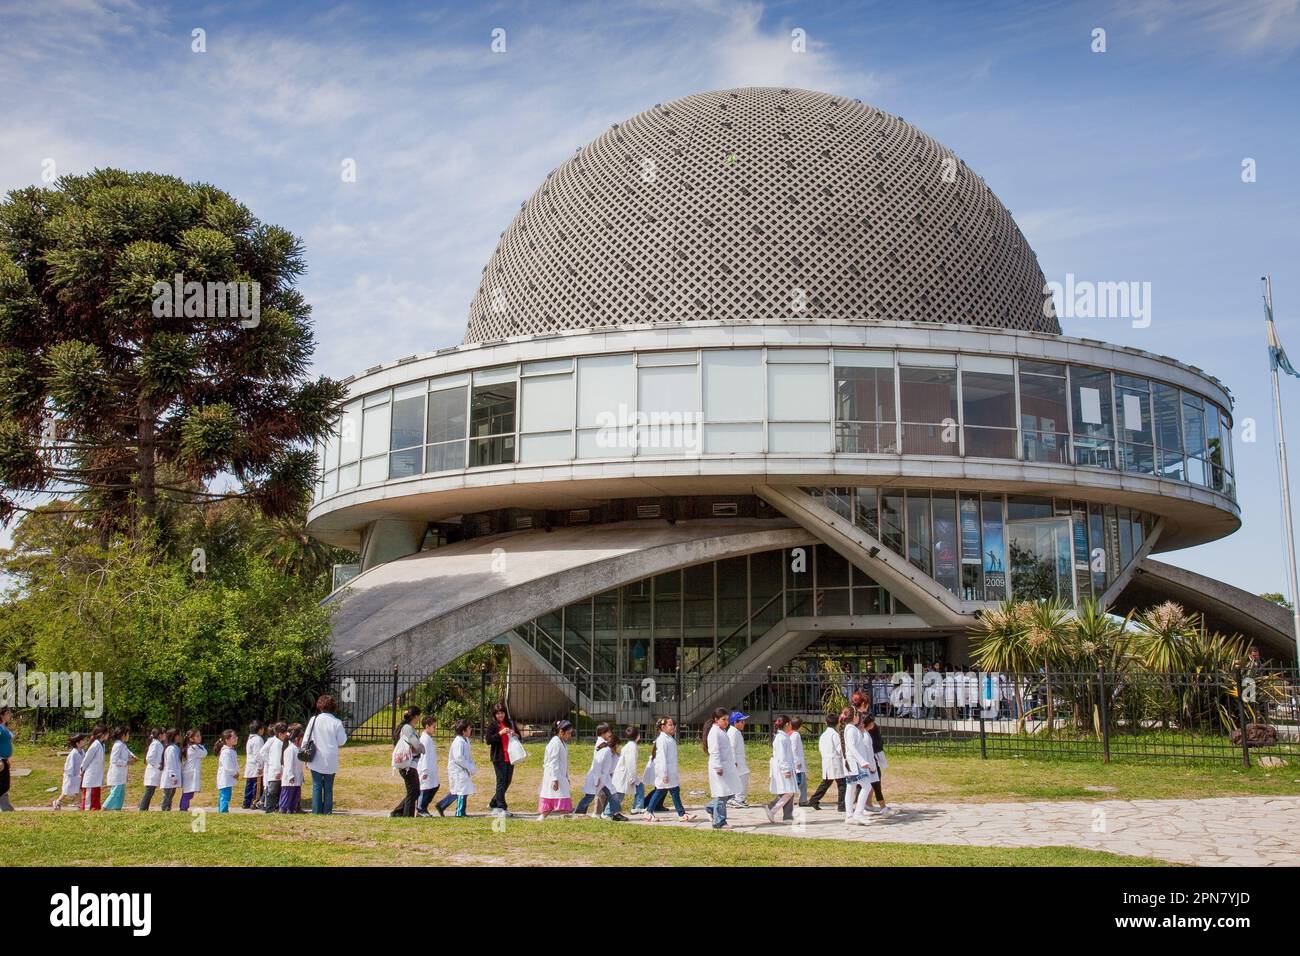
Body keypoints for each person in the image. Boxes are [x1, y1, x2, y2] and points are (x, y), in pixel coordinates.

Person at [645, 717, 696, 822]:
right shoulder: (662, 740)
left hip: (671, 772)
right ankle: (648, 812)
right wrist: (664, 774)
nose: (673, 727)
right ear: (663, 727)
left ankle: (681, 814)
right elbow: (662, 758)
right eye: (670, 725)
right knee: (661, 791)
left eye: (673, 724)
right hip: (665, 771)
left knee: (673, 791)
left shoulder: (669, 739)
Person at [304, 695, 348, 814]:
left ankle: (316, 811)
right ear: (333, 707)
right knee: (328, 786)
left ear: (319, 706)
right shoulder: (337, 722)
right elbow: (342, 741)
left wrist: (305, 757)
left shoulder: (314, 720)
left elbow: (306, 738)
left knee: (317, 785)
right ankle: (327, 811)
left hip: (315, 757)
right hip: (331, 758)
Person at [704, 707, 740, 830]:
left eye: (727, 719)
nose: (726, 722)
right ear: (716, 719)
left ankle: (710, 808)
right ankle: (719, 821)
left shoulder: (721, 731)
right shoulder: (714, 732)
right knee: (721, 794)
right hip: (719, 768)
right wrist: (718, 766)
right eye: (723, 719)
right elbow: (714, 751)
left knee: (729, 792)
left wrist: (732, 762)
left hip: (726, 766)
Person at [484, 702, 520, 817]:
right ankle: (501, 807)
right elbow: (488, 740)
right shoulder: (493, 725)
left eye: (502, 713)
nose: (500, 715)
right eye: (498, 713)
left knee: (507, 781)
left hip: (510, 757)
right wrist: (500, 733)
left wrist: (515, 734)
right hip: (499, 757)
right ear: (494, 715)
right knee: (501, 781)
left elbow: (519, 736)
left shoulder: (510, 723)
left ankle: (493, 802)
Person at [845, 709, 878, 825]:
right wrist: (862, 761)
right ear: (854, 717)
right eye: (857, 715)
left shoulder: (851, 729)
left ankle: (850, 815)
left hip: (853, 763)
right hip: (855, 764)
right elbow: (852, 747)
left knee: (851, 787)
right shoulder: (851, 730)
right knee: (866, 786)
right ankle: (857, 813)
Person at [438, 718, 476, 817]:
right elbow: (459, 758)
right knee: (461, 791)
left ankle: (442, 805)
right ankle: (460, 812)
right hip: (457, 770)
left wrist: (471, 766)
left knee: (460, 790)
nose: (470, 729)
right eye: (469, 728)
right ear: (463, 731)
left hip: (463, 769)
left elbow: (467, 756)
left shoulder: (465, 740)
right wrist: (469, 766)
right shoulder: (458, 742)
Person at [809, 711, 847, 811]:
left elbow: (821, 749)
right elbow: (840, 749)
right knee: (842, 784)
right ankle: (842, 805)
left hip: (826, 761)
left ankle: (814, 799)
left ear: (826, 723)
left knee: (826, 783)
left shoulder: (823, 735)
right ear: (837, 723)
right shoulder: (835, 735)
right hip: (835, 762)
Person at [390, 707, 423, 818]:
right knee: (413, 791)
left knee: (414, 791)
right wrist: (422, 748)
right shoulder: (408, 728)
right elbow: (417, 745)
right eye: (419, 716)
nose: (419, 718)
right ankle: (406, 816)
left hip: (408, 765)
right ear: (415, 716)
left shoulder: (406, 728)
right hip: (408, 765)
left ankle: (397, 812)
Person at [574, 723, 613, 816]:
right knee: (590, 796)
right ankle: (578, 812)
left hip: (599, 776)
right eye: (608, 731)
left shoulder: (602, 743)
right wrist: (597, 779)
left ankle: (604, 813)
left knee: (603, 794)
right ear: (603, 733)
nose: (610, 733)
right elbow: (597, 763)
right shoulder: (602, 745)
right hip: (596, 776)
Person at [538, 719, 573, 819]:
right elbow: (553, 762)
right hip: (554, 775)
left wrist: (566, 776)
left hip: (560, 775)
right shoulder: (555, 743)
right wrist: (554, 779)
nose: (570, 736)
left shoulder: (562, 743)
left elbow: (563, 762)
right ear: (561, 732)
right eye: (568, 733)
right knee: (556, 796)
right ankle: (561, 816)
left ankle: (562, 816)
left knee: (558, 796)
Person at [764, 715, 797, 824]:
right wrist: (786, 770)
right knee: (788, 791)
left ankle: (788, 816)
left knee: (789, 791)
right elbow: (782, 757)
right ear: (787, 724)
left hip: (787, 767)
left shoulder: (784, 737)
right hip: (783, 769)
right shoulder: (781, 738)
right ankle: (772, 808)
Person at [863, 714, 897, 816]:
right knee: (872, 784)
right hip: (868, 762)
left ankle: (868, 804)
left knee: (874, 783)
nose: (874, 724)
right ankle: (882, 807)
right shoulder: (863, 734)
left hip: (872, 760)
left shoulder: (869, 731)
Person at [102, 726, 137, 810]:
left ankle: (117, 809)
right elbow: (114, 760)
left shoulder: (122, 745)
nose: (129, 736)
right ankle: (104, 808)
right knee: (115, 793)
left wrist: (133, 757)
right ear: (123, 735)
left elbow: (128, 752)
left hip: (121, 774)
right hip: (116, 774)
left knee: (121, 793)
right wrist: (127, 762)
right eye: (127, 734)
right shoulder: (117, 745)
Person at [609, 726, 639, 821]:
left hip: (622, 773)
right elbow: (631, 763)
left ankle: (612, 812)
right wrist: (632, 777)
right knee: (619, 795)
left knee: (619, 794)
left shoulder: (628, 745)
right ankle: (608, 812)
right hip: (624, 774)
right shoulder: (632, 747)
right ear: (638, 736)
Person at [593, 732, 625, 821]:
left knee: (608, 794)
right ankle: (602, 813)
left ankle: (604, 813)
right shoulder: (608, 754)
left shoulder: (615, 755)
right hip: (603, 778)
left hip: (609, 778)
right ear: (615, 745)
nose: (619, 747)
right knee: (606, 794)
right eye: (618, 745)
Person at [415, 715, 441, 817]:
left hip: (431, 768)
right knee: (425, 789)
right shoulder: (425, 739)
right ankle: (420, 809)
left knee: (434, 786)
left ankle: (424, 807)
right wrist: (425, 771)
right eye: (434, 727)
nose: (435, 729)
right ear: (427, 726)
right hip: (426, 769)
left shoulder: (428, 738)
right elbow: (424, 756)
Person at [53, 733, 86, 810]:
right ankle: (57, 801)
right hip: (71, 776)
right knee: (66, 791)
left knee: (77, 790)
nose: (84, 741)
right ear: (77, 743)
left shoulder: (82, 751)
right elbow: (69, 766)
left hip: (78, 775)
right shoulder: (73, 754)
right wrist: (72, 775)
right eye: (82, 740)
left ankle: (78, 803)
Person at [80, 723, 108, 811]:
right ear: (103, 735)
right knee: (88, 801)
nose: (109, 735)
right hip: (91, 778)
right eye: (107, 733)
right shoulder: (95, 745)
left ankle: (95, 812)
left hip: (96, 778)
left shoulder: (101, 745)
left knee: (95, 800)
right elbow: (86, 759)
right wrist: (82, 770)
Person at [725, 711, 750, 809]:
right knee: (742, 777)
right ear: (736, 722)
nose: (744, 723)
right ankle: (738, 799)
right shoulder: (733, 732)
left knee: (743, 776)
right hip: (736, 761)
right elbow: (731, 748)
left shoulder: (736, 732)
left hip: (740, 760)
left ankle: (740, 798)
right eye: (742, 721)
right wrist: (734, 761)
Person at [262, 722, 288, 813]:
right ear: (280, 734)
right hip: (276, 772)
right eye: (285, 733)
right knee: (273, 792)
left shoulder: (277, 741)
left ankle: (275, 808)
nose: (287, 735)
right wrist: (277, 770)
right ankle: (270, 809)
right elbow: (277, 759)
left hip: (277, 771)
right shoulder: (277, 744)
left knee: (276, 792)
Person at [137, 728, 165, 811]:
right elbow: (149, 758)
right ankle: (142, 808)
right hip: (152, 771)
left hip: (155, 771)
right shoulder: (155, 744)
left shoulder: (158, 744)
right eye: (164, 733)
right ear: (160, 735)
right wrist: (158, 765)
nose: (165, 735)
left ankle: (144, 808)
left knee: (151, 791)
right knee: (149, 791)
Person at [279, 724, 304, 813]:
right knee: (287, 794)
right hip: (290, 779)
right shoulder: (290, 750)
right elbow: (288, 765)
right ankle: (283, 809)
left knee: (295, 795)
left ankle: (292, 808)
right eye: (302, 739)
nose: (302, 741)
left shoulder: (297, 749)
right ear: (297, 739)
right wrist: (290, 776)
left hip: (297, 778)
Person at [180, 729, 206, 811]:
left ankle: (184, 808)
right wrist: (203, 747)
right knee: (188, 793)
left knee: (188, 792)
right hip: (191, 773)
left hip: (189, 772)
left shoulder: (191, 747)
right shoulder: (194, 748)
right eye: (197, 736)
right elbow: (204, 753)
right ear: (191, 739)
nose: (200, 737)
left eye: (200, 735)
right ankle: (183, 808)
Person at [242, 720, 265, 810]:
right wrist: (260, 766)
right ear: (259, 730)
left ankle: (246, 802)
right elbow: (258, 754)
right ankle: (254, 802)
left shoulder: (250, 738)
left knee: (249, 785)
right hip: (256, 767)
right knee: (257, 786)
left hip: (250, 766)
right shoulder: (258, 739)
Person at [215, 729, 239, 813]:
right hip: (225, 778)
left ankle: (221, 811)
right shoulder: (226, 752)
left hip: (228, 778)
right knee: (225, 796)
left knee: (225, 795)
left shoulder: (230, 751)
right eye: (234, 737)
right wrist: (234, 773)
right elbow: (227, 766)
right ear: (227, 740)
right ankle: (223, 811)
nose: (236, 738)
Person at [789, 716, 808, 815]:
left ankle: (803, 800)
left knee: (803, 783)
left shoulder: (793, 734)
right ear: (800, 726)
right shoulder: (795, 735)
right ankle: (791, 798)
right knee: (799, 782)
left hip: (800, 762)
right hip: (798, 764)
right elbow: (794, 749)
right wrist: (796, 762)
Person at [160, 728, 183, 811]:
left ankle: (167, 809)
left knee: (170, 795)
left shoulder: (174, 747)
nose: (181, 737)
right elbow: (171, 765)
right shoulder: (171, 749)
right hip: (170, 777)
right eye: (179, 735)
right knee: (167, 796)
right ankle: (164, 810)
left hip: (172, 777)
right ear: (175, 736)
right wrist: (173, 777)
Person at [0, 706, 12, 811]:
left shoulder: (4, 726)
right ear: (2, 714)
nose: (10, 715)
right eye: (8, 713)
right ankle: (5, 807)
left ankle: (5, 806)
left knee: (5, 784)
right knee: (2, 784)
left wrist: (7, 759)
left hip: (4, 759)